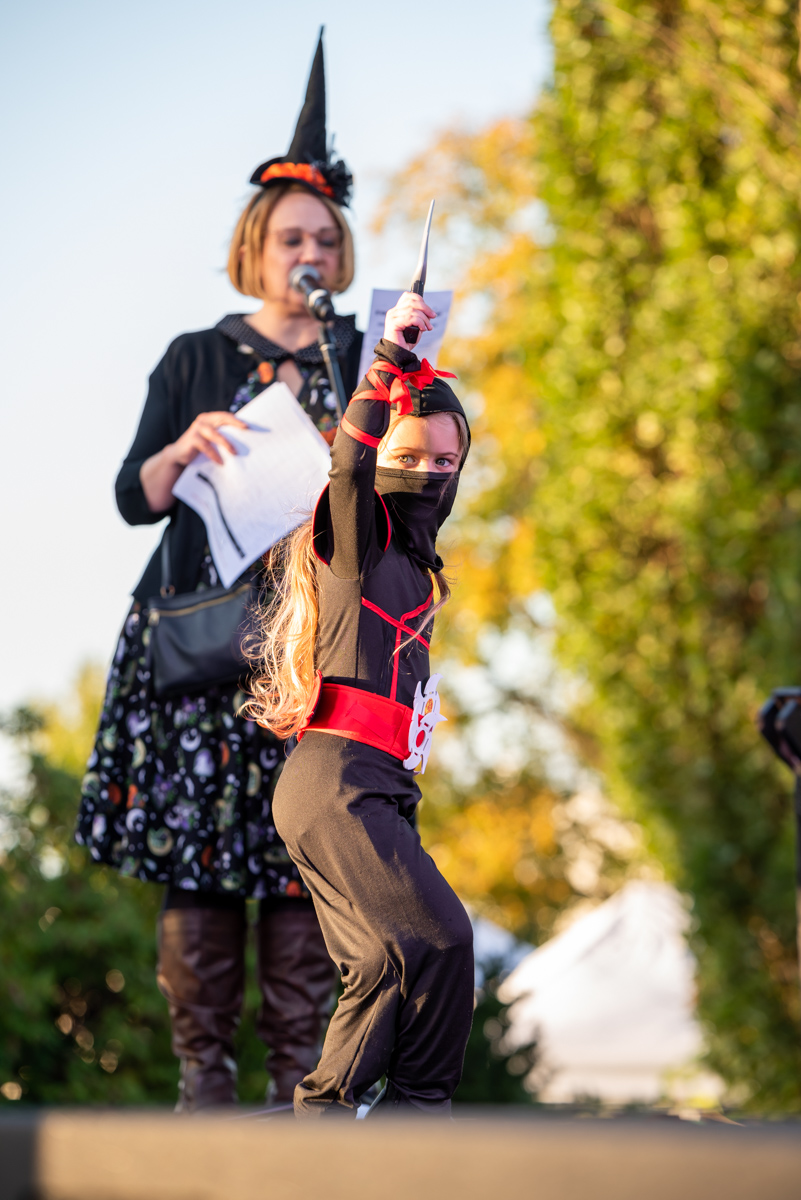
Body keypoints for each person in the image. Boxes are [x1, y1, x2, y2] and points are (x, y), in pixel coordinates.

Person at [75, 32, 362, 1111]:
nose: (310, 252)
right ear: (257, 243)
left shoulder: (356, 362)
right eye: (292, 235)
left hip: (310, 647)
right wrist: (181, 450)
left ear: (339, 255)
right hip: (200, 641)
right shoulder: (196, 352)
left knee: (299, 859)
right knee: (199, 863)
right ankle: (205, 1085)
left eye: (325, 240)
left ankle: (298, 1088)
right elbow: (127, 498)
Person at [247, 291, 475, 1117]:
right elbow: (347, 466)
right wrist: (388, 362)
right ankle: (418, 1119)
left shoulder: (415, 573)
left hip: (364, 787)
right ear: (384, 465)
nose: (430, 477)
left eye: (447, 464)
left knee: (384, 967)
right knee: (443, 942)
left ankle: (324, 1121)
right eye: (411, 460)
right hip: (335, 779)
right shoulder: (358, 543)